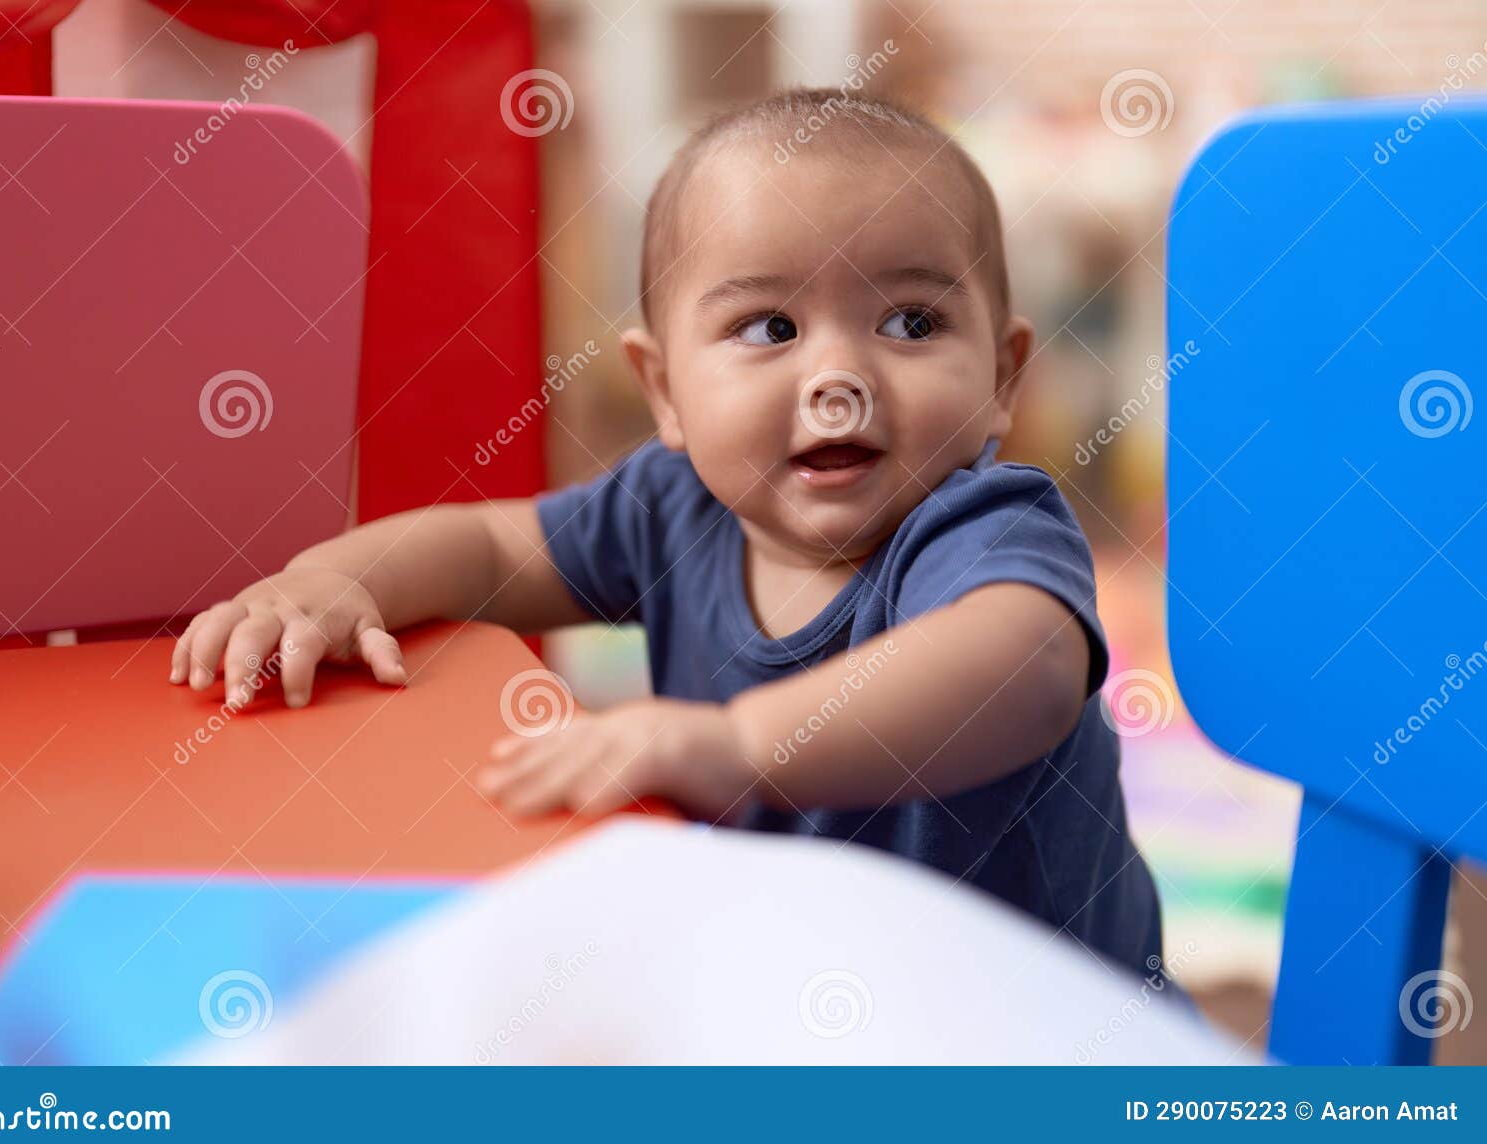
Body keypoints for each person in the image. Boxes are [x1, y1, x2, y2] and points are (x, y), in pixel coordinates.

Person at [169, 89, 1163, 977]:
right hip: (794, 992)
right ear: (664, 391)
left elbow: (1016, 667)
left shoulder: (978, 523)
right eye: (769, 328)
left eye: (909, 323)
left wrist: (737, 745)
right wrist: (334, 580)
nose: (837, 376)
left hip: (1028, 1035)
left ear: (1000, 375)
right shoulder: (670, 504)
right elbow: (488, 550)